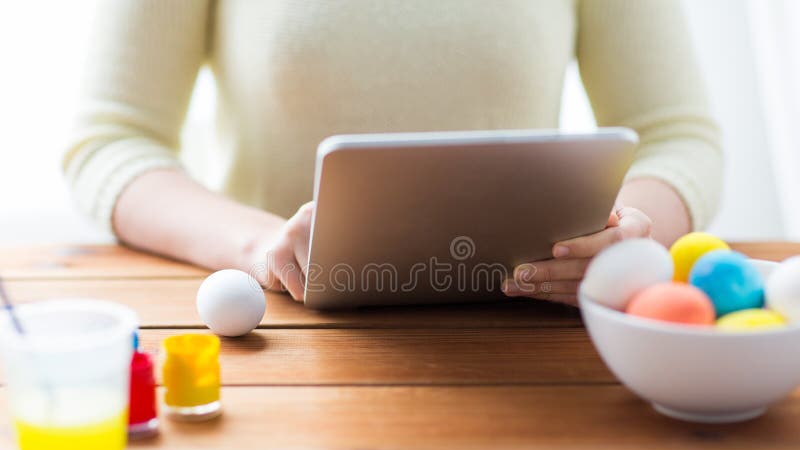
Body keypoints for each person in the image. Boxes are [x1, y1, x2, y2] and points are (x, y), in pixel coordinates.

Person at [63, 0, 722, 307]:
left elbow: (677, 136)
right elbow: (112, 140)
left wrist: (622, 238)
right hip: (285, 333)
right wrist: (260, 248)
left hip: (527, 331)